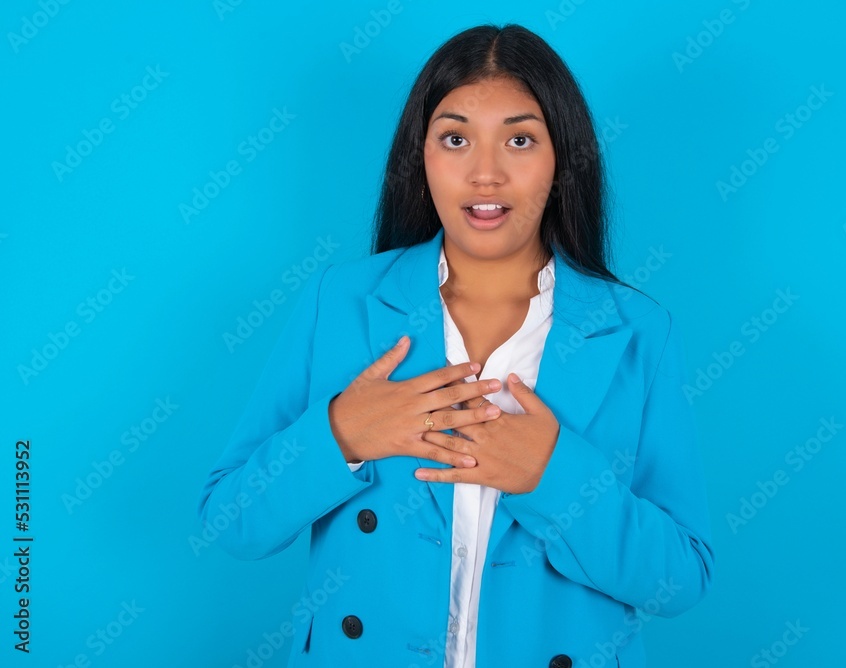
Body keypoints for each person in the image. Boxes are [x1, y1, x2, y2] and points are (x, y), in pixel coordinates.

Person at [198, 23, 714, 668]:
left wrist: (554, 477)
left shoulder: (639, 331)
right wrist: (341, 435)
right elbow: (232, 520)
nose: (486, 173)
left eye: (520, 139)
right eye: (455, 138)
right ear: (422, 157)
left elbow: (680, 578)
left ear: (562, 160)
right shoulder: (340, 301)